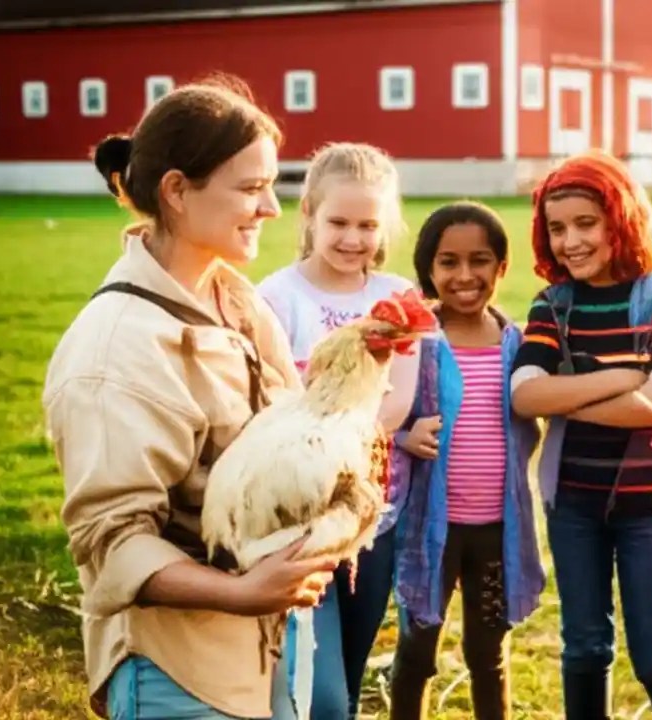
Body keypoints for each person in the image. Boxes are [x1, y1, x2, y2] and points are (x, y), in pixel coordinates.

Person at [44, 77, 331, 720]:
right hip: (177, 676)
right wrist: (245, 593)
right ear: (177, 190)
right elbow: (113, 540)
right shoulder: (115, 350)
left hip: (262, 655)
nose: (272, 209)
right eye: (252, 188)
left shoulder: (236, 300)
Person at [510, 150, 652, 720]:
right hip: (574, 505)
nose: (571, 241)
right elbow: (523, 395)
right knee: (584, 646)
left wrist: (570, 388)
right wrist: (617, 376)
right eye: (556, 228)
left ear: (620, 219)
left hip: (650, 509)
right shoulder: (554, 306)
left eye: (586, 223)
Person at [258, 142, 418, 719]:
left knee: (346, 678)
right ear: (309, 216)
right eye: (339, 222)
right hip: (299, 521)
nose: (354, 238)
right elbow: (271, 404)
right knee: (317, 694)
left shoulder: (394, 297)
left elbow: (396, 402)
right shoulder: (277, 299)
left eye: (368, 225)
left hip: (374, 517)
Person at [389, 201, 545, 719]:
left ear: (501, 268)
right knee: (417, 649)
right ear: (428, 270)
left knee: (487, 653)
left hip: (496, 532)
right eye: (448, 262)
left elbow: (536, 413)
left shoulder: (518, 345)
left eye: (479, 261)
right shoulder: (414, 345)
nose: (464, 275)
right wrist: (406, 435)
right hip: (432, 531)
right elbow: (383, 416)